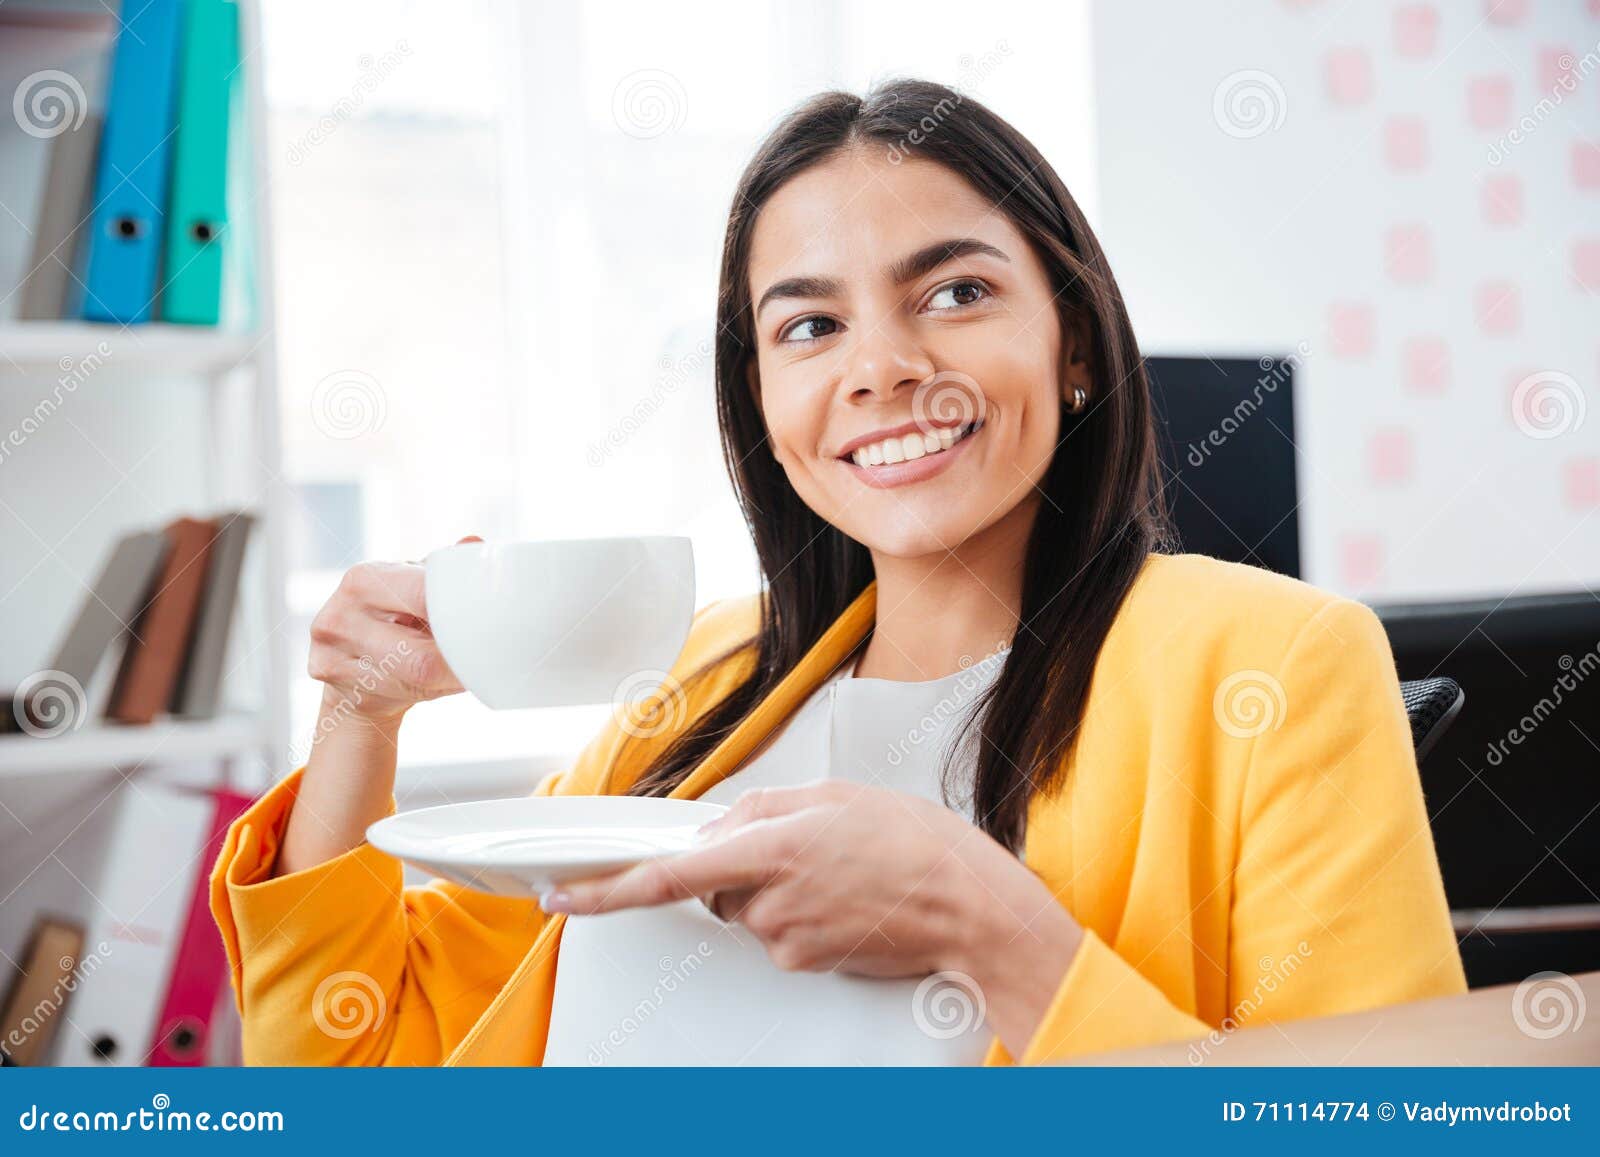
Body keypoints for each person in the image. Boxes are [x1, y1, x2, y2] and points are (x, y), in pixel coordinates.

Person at [211, 79, 1465, 1066]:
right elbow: (355, 1068)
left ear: (1071, 340)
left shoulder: (1276, 667)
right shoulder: (701, 683)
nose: (881, 366)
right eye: (808, 324)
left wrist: (996, 932)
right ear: (761, 398)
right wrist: (358, 716)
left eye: (956, 290)